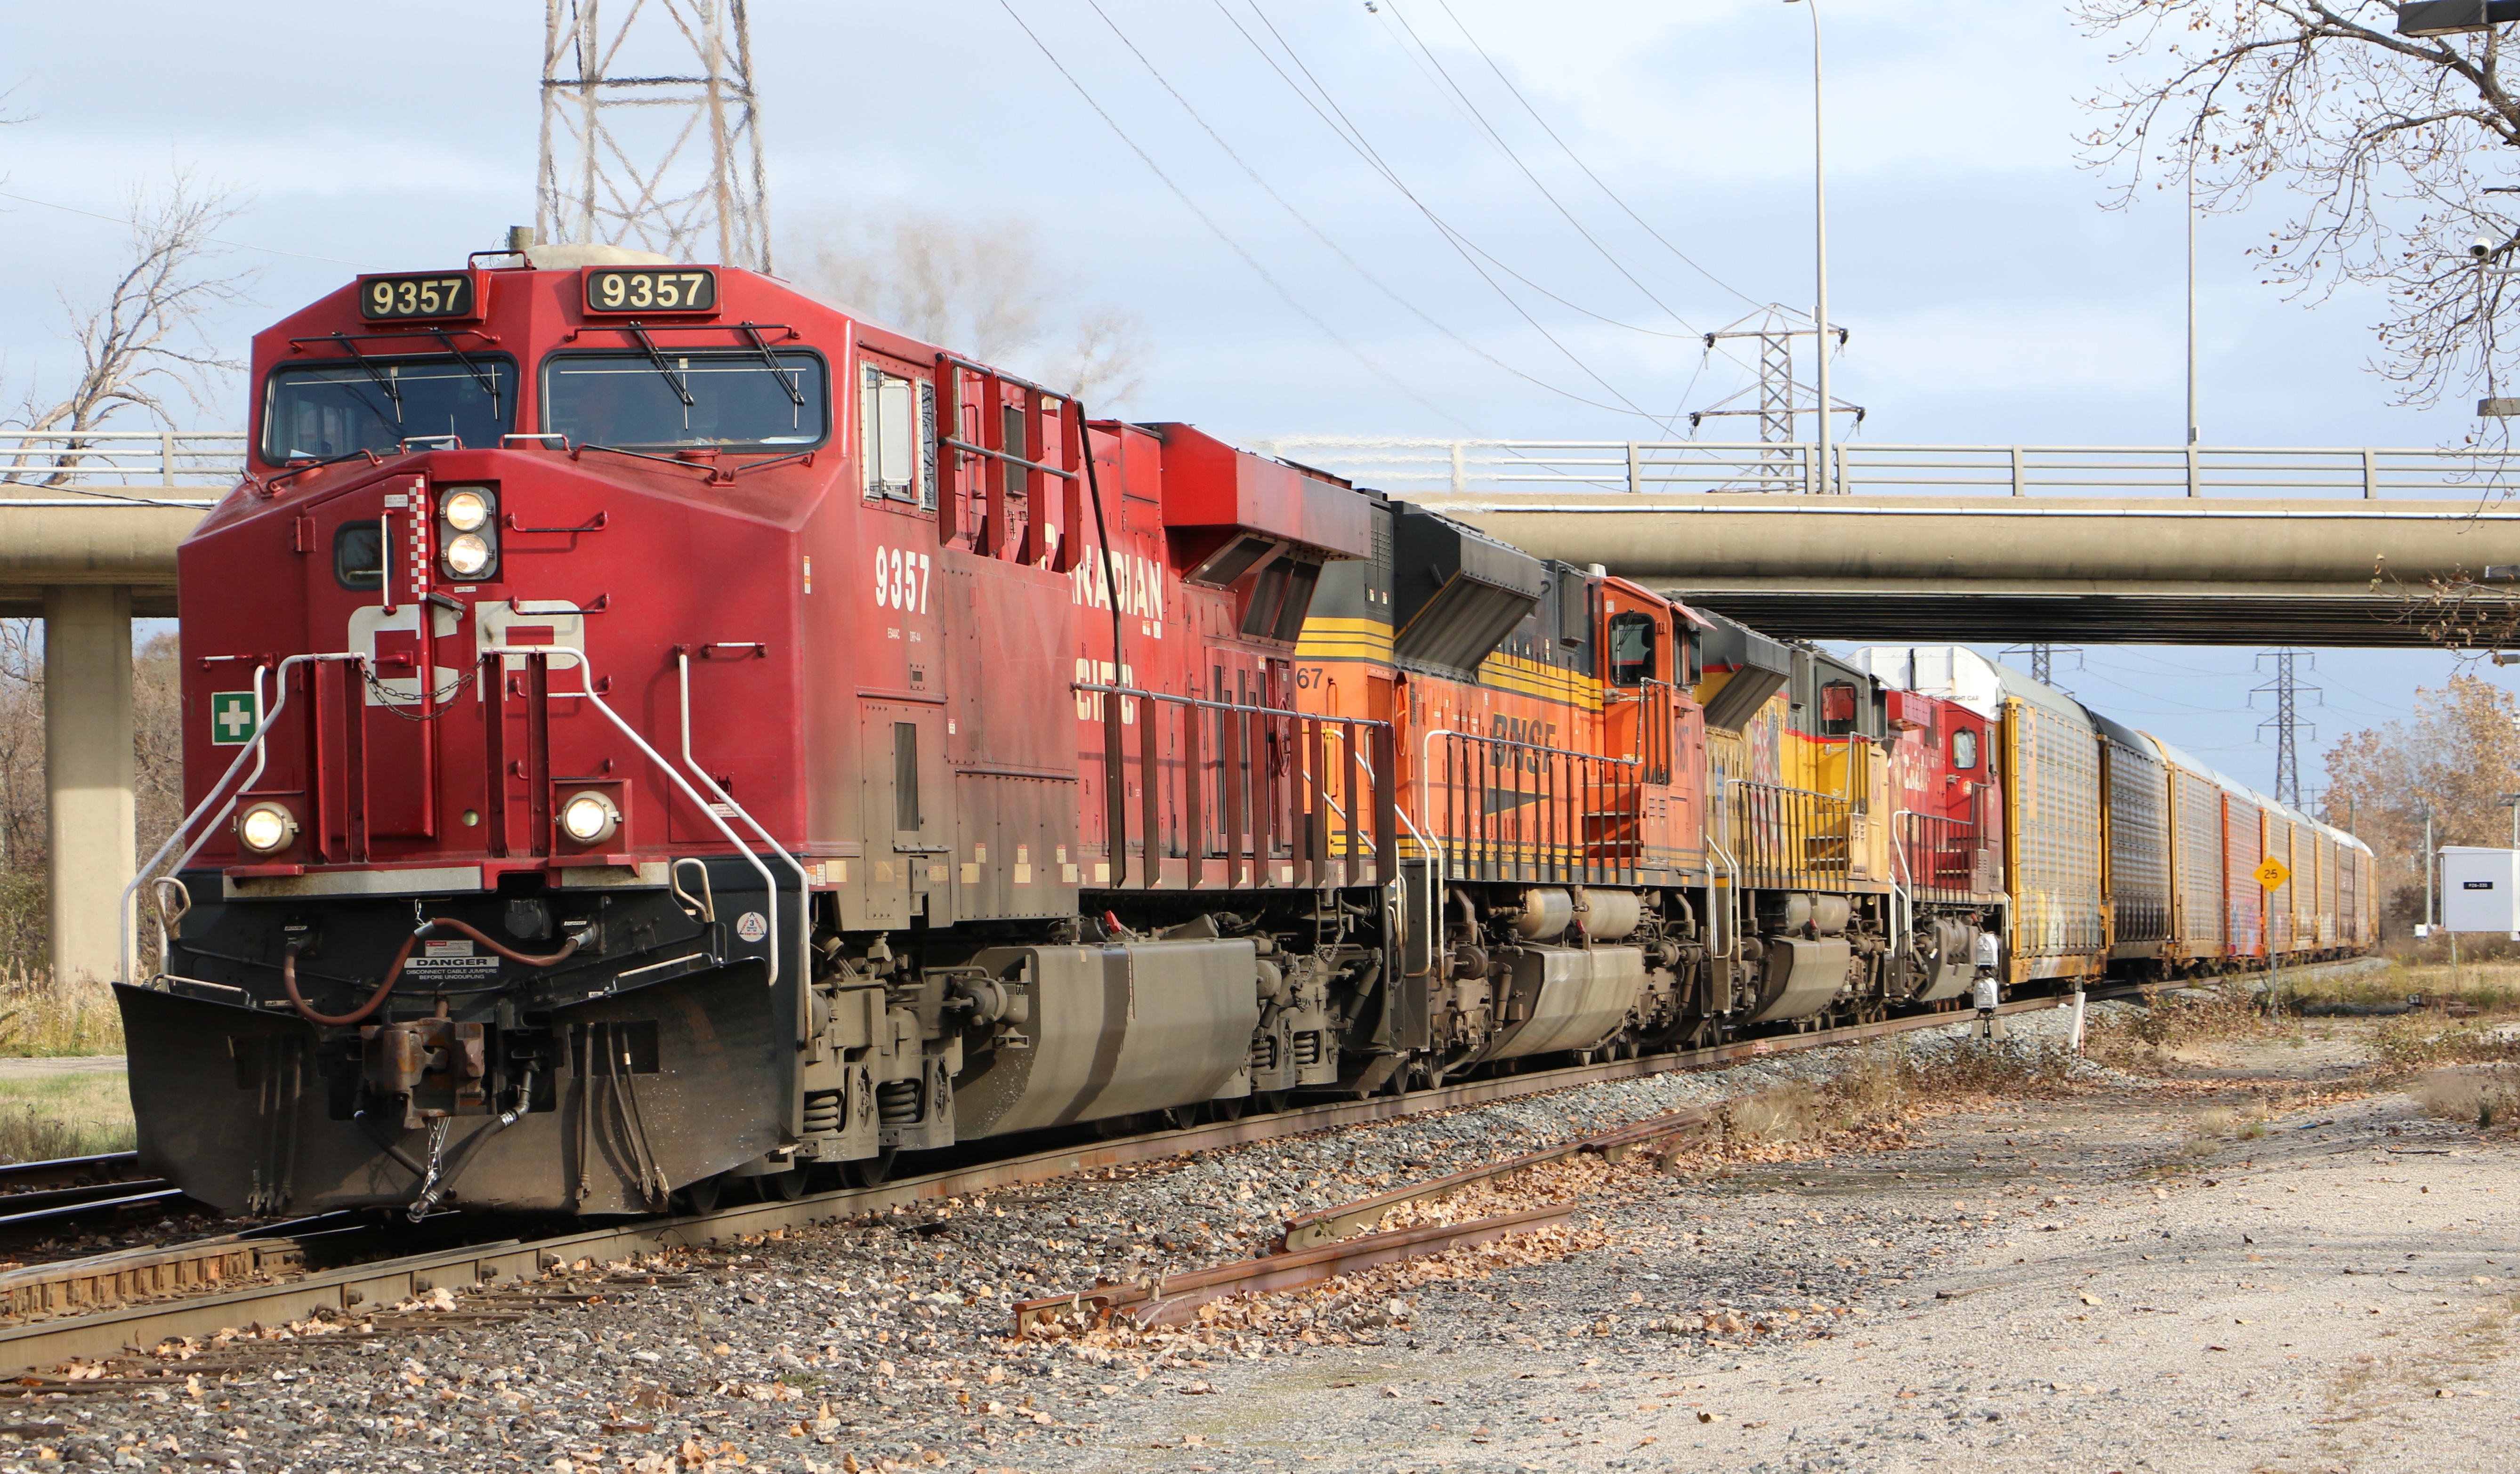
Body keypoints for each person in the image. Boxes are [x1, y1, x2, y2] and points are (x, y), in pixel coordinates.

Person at [1972, 927, 2001, 1039]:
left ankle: (1982, 1023)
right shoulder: (1987, 941)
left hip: (1985, 967)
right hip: (1987, 967)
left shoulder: (1982, 941)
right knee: (1986, 986)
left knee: (1984, 986)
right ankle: (1990, 1020)